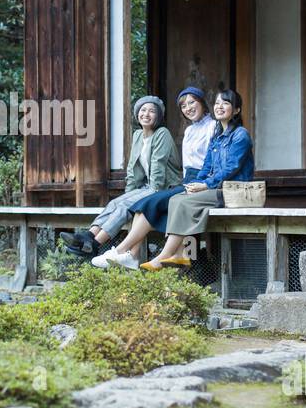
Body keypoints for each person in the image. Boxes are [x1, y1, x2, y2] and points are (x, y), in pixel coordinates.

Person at [106, 89, 253, 271]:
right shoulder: (216, 137)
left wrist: (205, 184)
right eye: (217, 103)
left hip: (230, 190)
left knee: (182, 203)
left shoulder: (240, 135)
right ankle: (177, 254)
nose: (220, 107)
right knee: (177, 199)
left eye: (225, 103)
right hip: (210, 184)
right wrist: (195, 185)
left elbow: (231, 168)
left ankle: (164, 256)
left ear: (237, 110)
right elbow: (207, 165)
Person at [93, 86, 214, 270]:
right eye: (183, 105)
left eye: (192, 102)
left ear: (202, 104)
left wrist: (203, 182)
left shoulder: (213, 127)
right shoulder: (189, 131)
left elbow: (209, 162)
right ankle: (128, 255)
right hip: (188, 180)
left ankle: (120, 251)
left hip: (202, 182)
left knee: (151, 200)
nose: (188, 107)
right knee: (140, 204)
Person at [59, 95, 181, 258]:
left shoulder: (162, 133)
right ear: (137, 114)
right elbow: (132, 168)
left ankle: (95, 244)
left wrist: (135, 198)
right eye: (143, 110)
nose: (146, 114)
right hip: (147, 187)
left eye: (152, 111)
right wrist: (129, 194)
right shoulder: (138, 135)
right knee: (116, 202)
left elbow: (158, 166)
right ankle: (89, 235)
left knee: (125, 206)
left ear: (158, 116)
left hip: (165, 188)